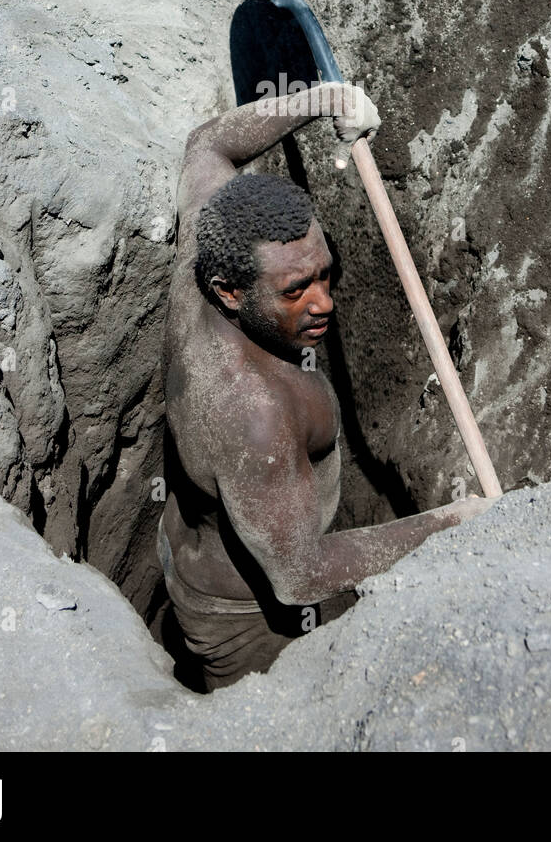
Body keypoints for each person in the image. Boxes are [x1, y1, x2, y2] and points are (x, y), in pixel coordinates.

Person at [159, 81, 496, 691]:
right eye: (296, 290)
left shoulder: (204, 253)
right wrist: (456, 521)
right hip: (248, 619)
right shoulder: (252, 413)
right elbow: (298, 576)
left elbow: (207, 145)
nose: (325, 304)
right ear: (229, 293)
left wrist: (326, 98)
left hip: (208, 540)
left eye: (324, 275)